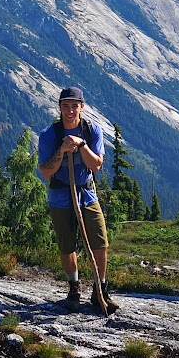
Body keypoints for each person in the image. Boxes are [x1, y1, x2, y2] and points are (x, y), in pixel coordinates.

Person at [37, 87, 119, 313]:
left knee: (100, 242)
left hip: (87, 193)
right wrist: (62, 150)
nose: (70, 110)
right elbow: (46, 171)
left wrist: (81, 145)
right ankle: (74, 288)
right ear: (60, 107)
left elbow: (96, 165)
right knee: (67, 245)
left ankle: (100, 289)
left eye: (75, 105)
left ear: (82, 107)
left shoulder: (92, 131)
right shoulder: (49, 135)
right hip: (60, 196)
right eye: (66, 105)